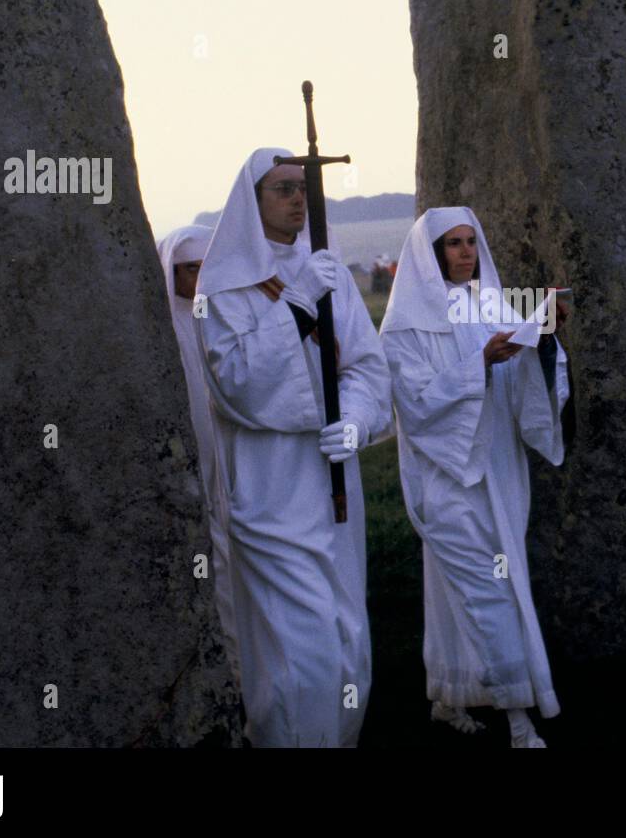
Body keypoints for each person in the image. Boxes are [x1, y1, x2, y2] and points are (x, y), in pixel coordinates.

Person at [195, 147, 392, 747]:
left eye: (302, 187)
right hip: (270, 485)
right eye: (282, 188)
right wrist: (298, 302)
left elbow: (365, 366)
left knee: (346, 637)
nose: (297, 198)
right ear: (251, 202)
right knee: (298, 648)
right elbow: (238, 386)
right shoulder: (224, 286)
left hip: (332, 480)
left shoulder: (322, 268)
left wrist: (355, 421)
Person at [379, 206, 570, 748]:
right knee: (489, 591)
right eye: (453, 244)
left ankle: (447, 692)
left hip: (498, 471)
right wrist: (478, 364)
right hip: (448, 479)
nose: (465, 252)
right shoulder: (405, 326)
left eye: (470, 241)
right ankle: (517, 716)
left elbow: (518, 388)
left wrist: (544, 338)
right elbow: (414, 405)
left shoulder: (490, 305)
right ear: (430, 253)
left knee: (455, 589)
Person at [155, 223, 241, 690]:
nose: (200, 278)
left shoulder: (221, 319)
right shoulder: (164, 328)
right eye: (191, 269)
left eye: (208, 267)